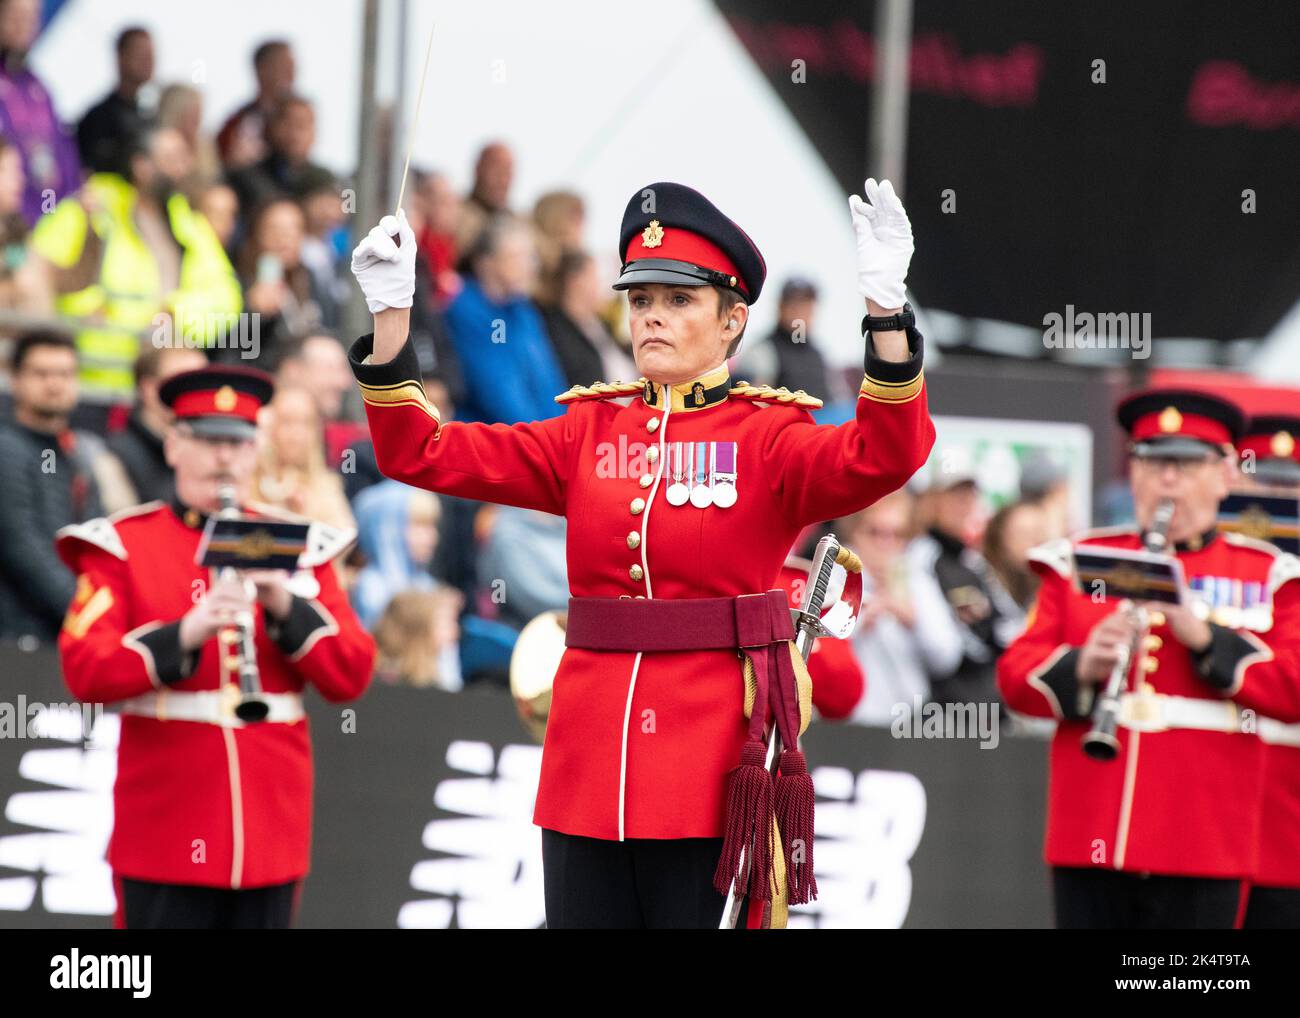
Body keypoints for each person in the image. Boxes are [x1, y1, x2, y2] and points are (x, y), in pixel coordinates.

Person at [346, 177, 933, 928]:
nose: (652, 316)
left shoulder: (767, 437)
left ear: (733, 321)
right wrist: (393, 317)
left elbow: (887, 453)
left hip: (710, 773)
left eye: (679, 301)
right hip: (586, 769)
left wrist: (886, 311)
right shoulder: (585, 430)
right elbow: (420, 452)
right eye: (641, 300)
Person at [55, 364, 375, 930]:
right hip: (166, 828)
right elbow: (85, 669)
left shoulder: (298, 547)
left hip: (269, 829)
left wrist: (283, 603)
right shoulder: (124, 544)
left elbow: (350, 674)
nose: (223, 458)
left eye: (238, 443)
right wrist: (188, 631)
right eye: (206, 440)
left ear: (256, 450)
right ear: (174, 443)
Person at [997, 389, 1300, 929]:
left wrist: (1205, 637)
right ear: (1133, 472)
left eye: (1185, 464)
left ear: (1226, 475)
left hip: (1206, 846)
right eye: (1153, 461)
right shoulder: (1077, 561)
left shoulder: (1270, 575)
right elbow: (1016, 675)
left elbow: (1292, 686)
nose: (1167, 480)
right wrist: (1083, 665)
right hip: (1091, 834)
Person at [30, 126, 242, 411]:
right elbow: (42, 275)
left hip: (160, 391)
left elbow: (226, 295)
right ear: (141, 166)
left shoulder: (189, 224)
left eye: (184, 157)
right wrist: (90, 311)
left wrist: (174, 313)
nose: (183, 167)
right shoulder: (88, 208)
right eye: (171, 158)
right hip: (89, 382)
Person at [1233, 415, 1300, 929]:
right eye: (1263, 480)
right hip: (1205, 826)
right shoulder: (1193, 568)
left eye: (1291, 483)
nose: (1279, 496)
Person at [0, 330, 101, 644]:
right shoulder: (7, 449)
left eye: (65, 374)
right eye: (41, 373)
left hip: (63, 632)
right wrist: (84, 610)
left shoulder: (75, 453)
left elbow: (96, 536)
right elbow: (21, 545)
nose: (54, 384)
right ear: (14, 379)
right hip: (18, 635)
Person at [843, 489, 963, 726]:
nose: (885, 544)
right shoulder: (835, 576)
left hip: (908, 723)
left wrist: (913, 620)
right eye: (875, 532)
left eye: (897, 535)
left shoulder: (917, 580)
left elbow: (947, 658)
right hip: (847, 720)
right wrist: (859, 621)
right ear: (854, 532)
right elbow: (817, 650)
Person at [0, 0, 81, 225]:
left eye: (31, 16)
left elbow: (61, 155)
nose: (24, 24)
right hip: (9, 223)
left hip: (44, 221)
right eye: (15, 15)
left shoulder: (37, 88)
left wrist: (63, 203)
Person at [103, 344, 210, 510]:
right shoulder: (115, 455)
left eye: (204, 385)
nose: (199, 395)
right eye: (185, 384)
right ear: (149, 388)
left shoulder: (211, 450)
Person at [734, 277, 848, 404]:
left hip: (821, 422)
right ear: (780, 307)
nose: (800, 314)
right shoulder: (762, 352)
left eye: (806, 307)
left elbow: (838, 401)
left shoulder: (820, 355)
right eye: (795, 306)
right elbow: (753, 405)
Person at [76, 27, 156, 175]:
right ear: (121, 57)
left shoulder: (150, 117)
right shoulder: (98, 119)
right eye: (141, 54)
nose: (149, 61)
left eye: (151, 55)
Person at [216, 39, 295, 170]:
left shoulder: (299, 114)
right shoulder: (240, 121)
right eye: (284, 67)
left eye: (292, 68)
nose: (291, 75)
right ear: (261, 70)